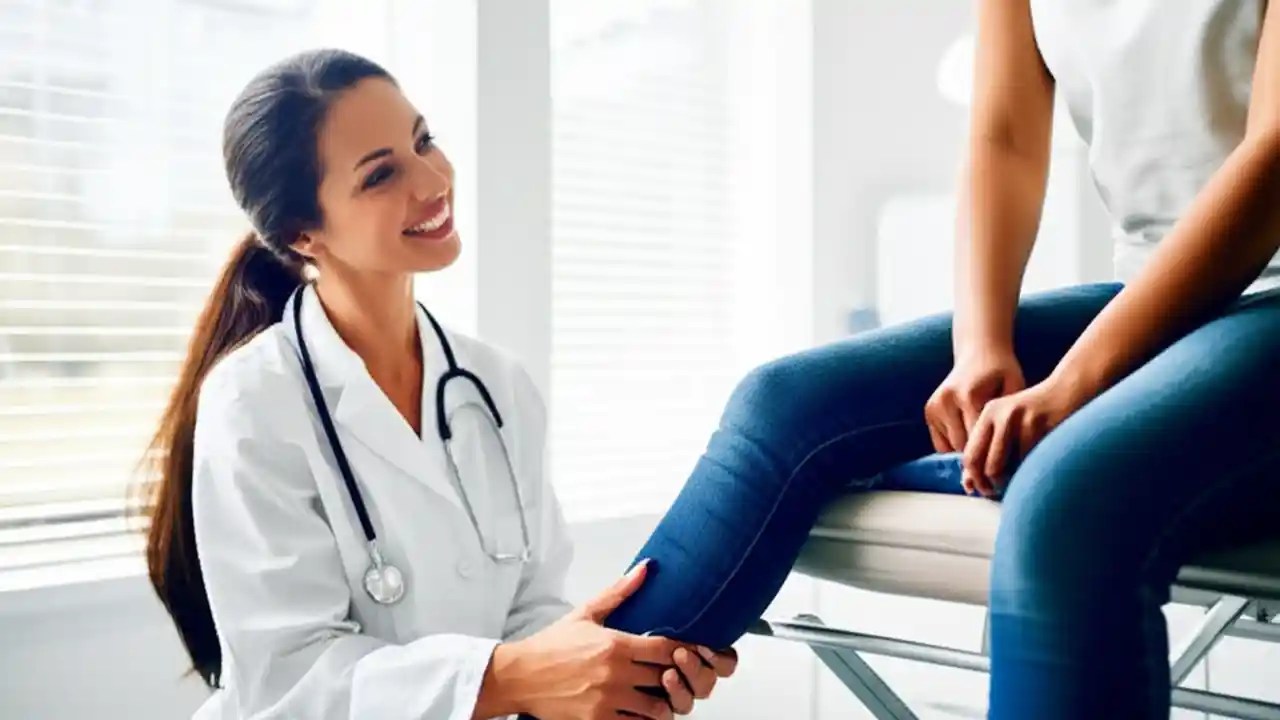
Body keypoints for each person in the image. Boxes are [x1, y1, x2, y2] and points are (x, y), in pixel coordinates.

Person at [598, 0, 1280, 717]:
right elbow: (1006, 135)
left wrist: (1077, 383)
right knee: (784, 407)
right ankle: (562, 696)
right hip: (1153, 293)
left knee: (1066, 499)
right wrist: (980, 349)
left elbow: (1271, 155)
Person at [140, 49, 736, 720]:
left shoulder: (495, 385)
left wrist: (609, 676)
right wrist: (511, 677)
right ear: (303, 234)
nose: (432, 180)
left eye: (423, 140)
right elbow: (291, 679)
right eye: (382, 174)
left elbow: (530, 611)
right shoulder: (253, 405)